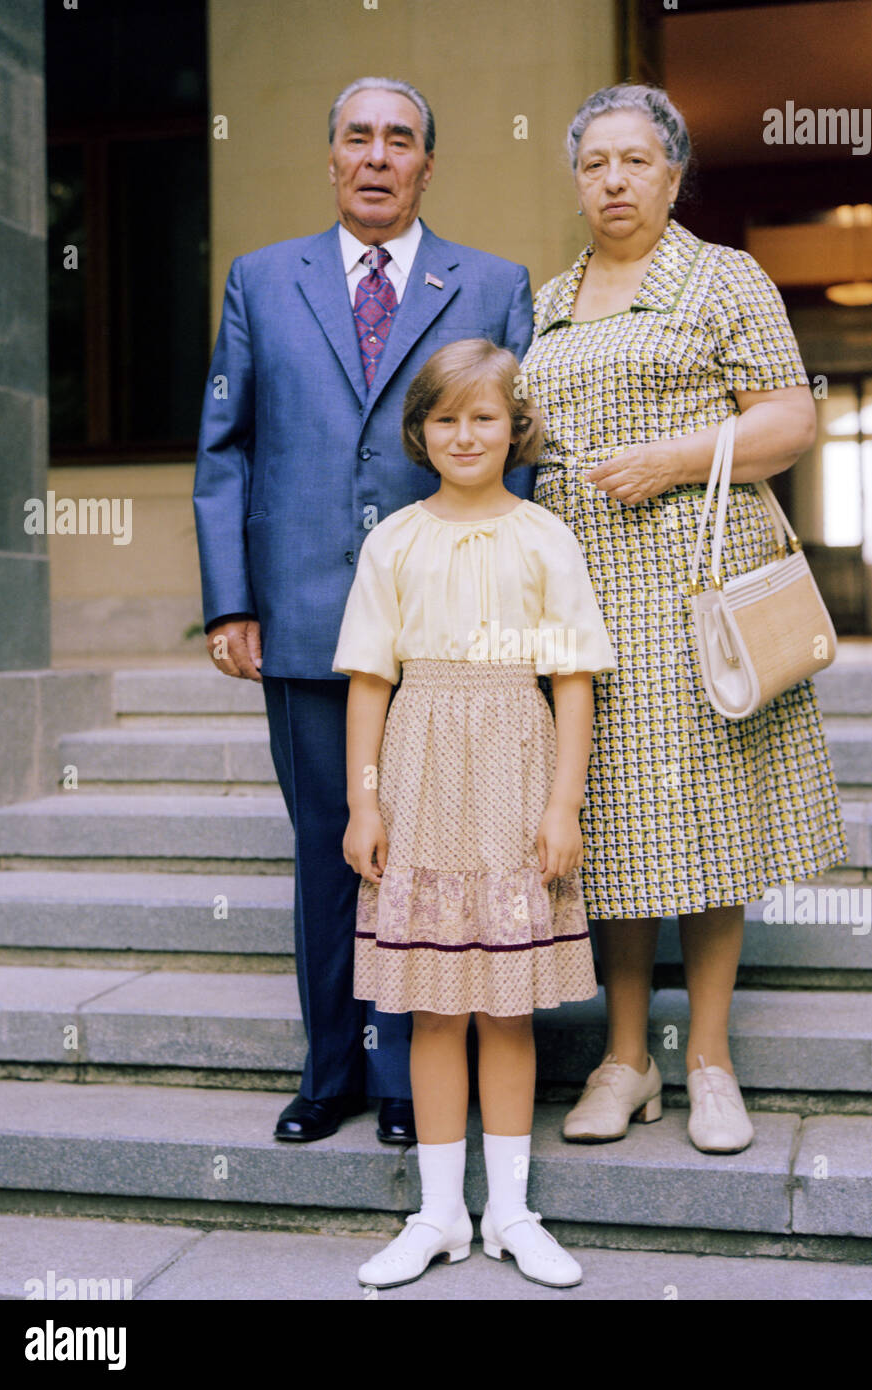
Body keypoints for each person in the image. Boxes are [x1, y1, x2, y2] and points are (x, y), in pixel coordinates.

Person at [192, 77, 535, 1147]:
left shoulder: (492, 281)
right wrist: (230, 600)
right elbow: (225, 448)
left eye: (401, 140)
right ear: (330, 157)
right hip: (298, 615)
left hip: (447, 630)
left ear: (428, 164)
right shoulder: (260, 278)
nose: (378, 157)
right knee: (328, 844)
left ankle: (405, 1082)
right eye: (358, 138)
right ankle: (327, 1068)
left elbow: (522, 457)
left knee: (421, 846)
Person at [520, 84, 848, 1155]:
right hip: (583, 597)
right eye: (593, 164)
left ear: (672, 175)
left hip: (698, 590)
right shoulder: (548, 299)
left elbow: (792, 414)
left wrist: (675, 457)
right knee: (610, 829)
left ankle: (707, 1059)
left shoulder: (721, 277)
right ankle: (625, 1060)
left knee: (710, 823)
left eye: (635, 162)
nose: (613, 180)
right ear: (576, 181)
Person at [334, 339, 616, 1289]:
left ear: (514, 429)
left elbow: (572, 678)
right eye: (446, 418)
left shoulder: (545, 536)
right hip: (418, 775)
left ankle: (511, 1211)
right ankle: (439, 1215)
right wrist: (361, 805)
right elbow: (370, 681)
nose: (465, 434)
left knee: (505, 1007)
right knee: (433, 1010)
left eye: (484, 418)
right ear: (421, 431)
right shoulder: (394, 540)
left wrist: (562, 804)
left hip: (513, 770)